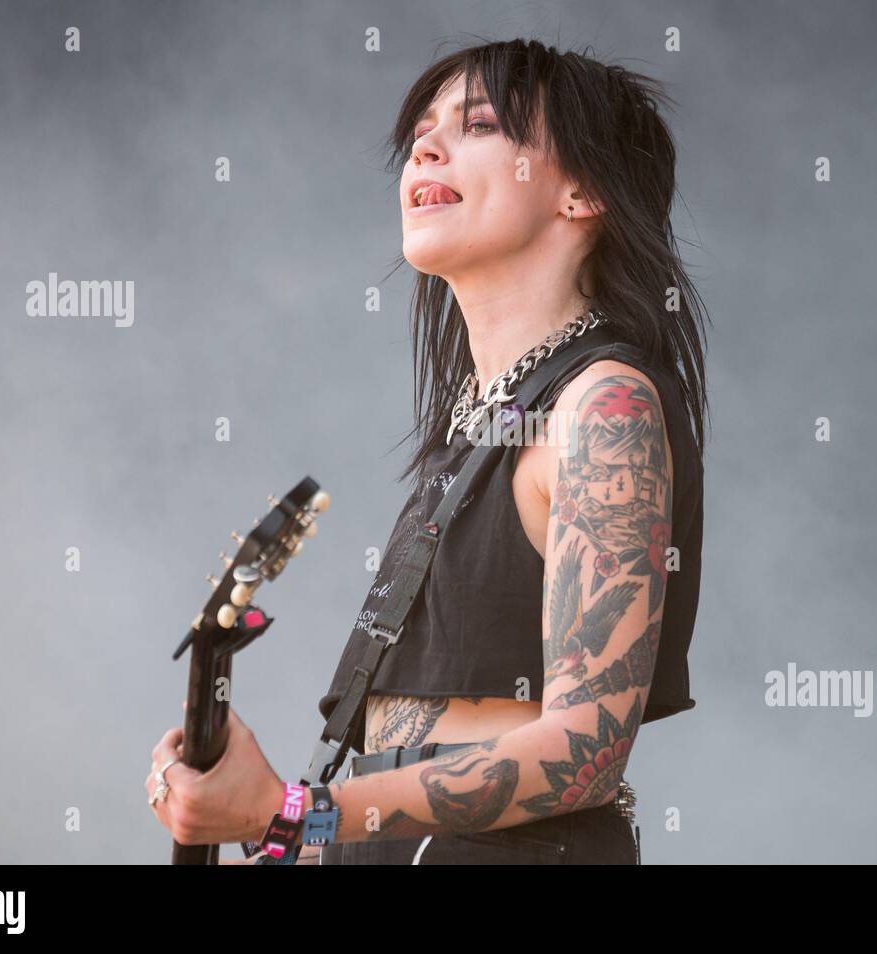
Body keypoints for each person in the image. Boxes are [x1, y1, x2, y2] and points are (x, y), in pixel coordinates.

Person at [147, 37, 710, 865]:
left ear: (583, 191)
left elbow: (586, 747)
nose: (426, 144)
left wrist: (293, 813)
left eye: (478, 125)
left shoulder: (604, 404)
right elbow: (383, 775)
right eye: (421, 129)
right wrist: (257, 823)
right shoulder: (477, 430)